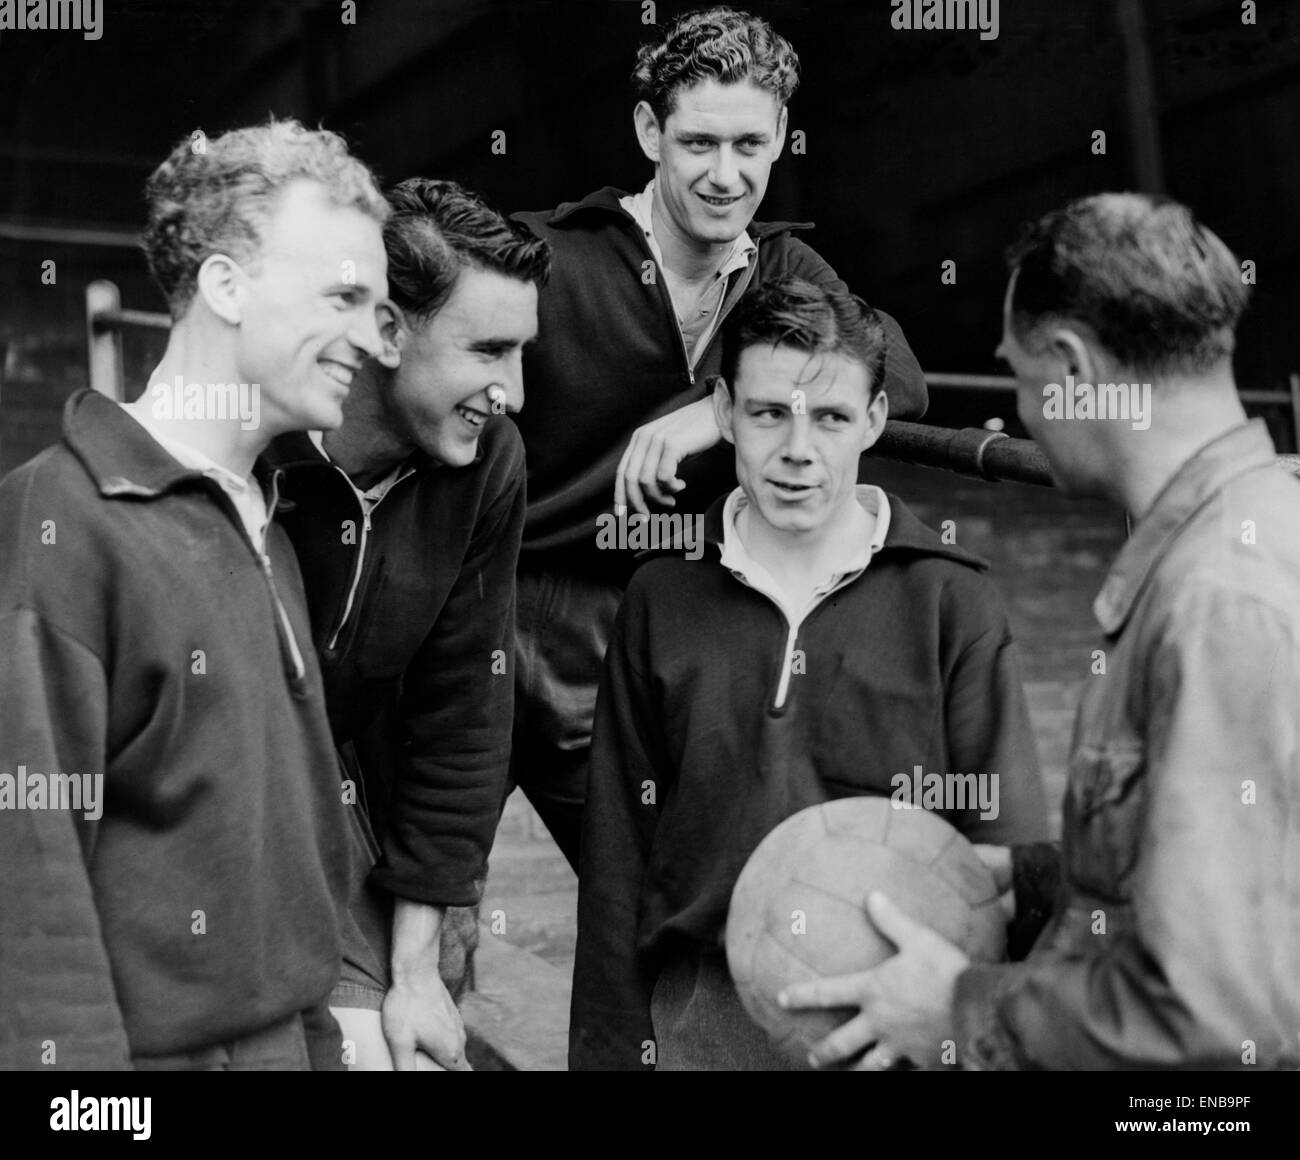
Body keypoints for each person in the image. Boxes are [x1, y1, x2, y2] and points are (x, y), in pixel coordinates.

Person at [781, 193, 1300, 1071]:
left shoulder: (1217, 602)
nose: (1018, 412)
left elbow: (1215, 1016)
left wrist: (956, 1009)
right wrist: (1033, 883)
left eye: (1016, 376)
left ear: (1068, 365)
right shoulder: (1262, 528)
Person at [570, 275, 1048, 1070]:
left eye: (830, 418)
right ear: (723, 412)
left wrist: (980, 1039)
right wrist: (610, 1052)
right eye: (767, 414)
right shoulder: (662, 596)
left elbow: (1005, 847)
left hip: (895, 1020)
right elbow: (619, 854)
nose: (798, 450)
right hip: (705, 1018)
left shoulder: (950, 600)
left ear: (875, 418)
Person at [0, 119, 390, 1069]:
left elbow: (297, 879)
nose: (372, 342)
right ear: (225, 285)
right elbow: (27, 877)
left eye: (376, 308)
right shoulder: (62, 517)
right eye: (343, 296)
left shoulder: (268, 527)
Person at [509, 5, 929, 871]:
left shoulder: (782, 273)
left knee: (666, 903)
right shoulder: (550, 259)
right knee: (432, 916)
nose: (724, 176)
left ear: (781, 135)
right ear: (648, 131)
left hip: (663, 628)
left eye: (749, 145)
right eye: (698, 143)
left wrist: (721, 405)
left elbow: (903, 376)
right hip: (507, 609)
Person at [267, 178, 550, 1071]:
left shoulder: (489, 460)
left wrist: (416, 966)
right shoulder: (255, 437)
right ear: (387, 332)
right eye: (489, 350)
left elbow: (466, 706)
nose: (511, 390)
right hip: (239, 782)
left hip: (370, 777)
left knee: (409, 1044)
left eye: (523, 354)